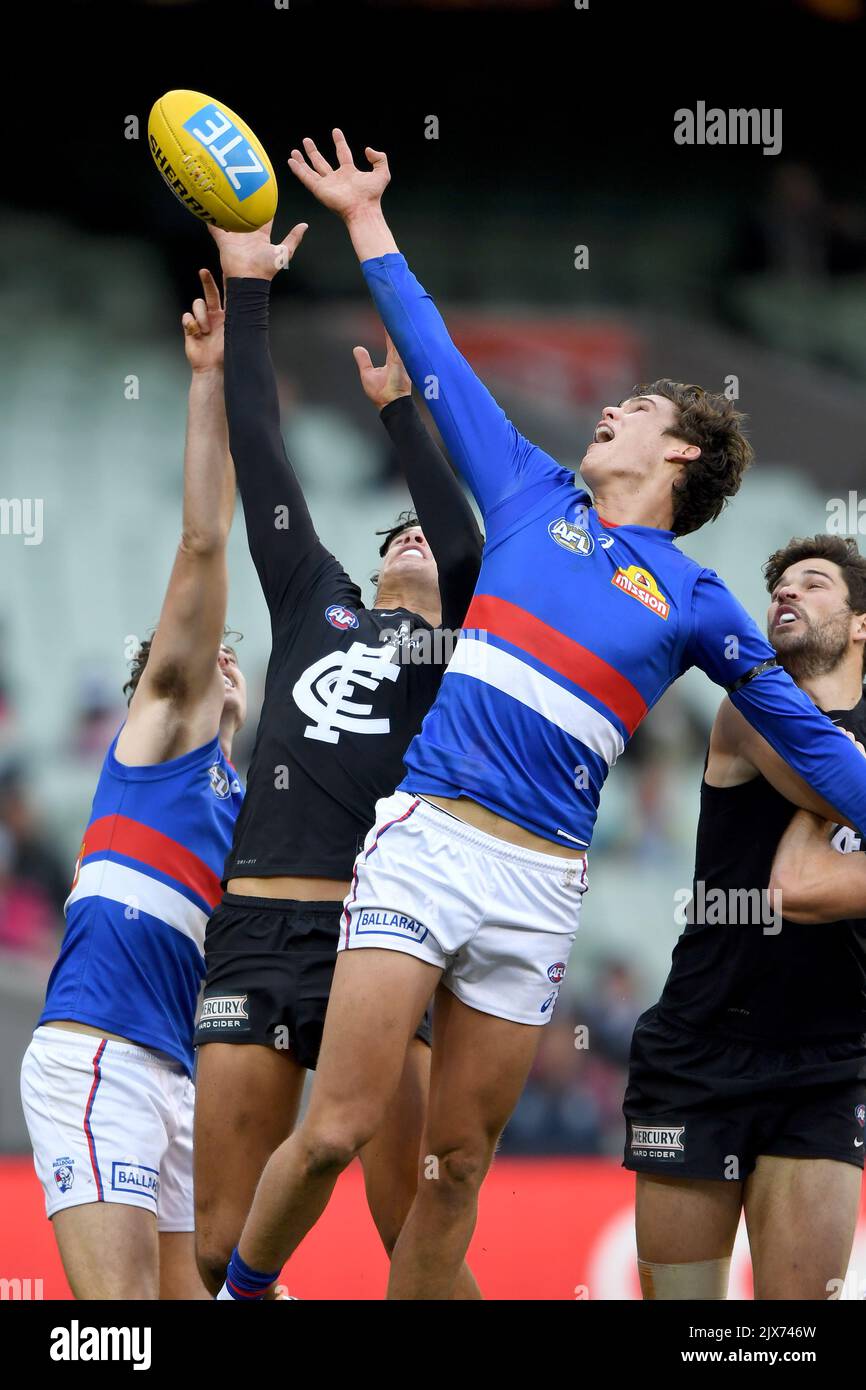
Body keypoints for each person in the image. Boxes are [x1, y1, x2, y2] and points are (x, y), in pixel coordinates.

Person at [216, 131, 866, 1303]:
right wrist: (367, 220)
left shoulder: (694, 600)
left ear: (681, 451)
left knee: (453, 1166)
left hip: (539, 886)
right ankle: (240, 1297)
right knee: (341, 1125)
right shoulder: (524, 489)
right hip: (427, 841)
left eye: (633, 407)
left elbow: (810, 741)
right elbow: (433, 352)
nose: (605, 408)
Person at [194, 220, 483, 1299]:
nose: (414, 536)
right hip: (257, 929)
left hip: (376, 937)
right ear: (368, 560)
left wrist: (401, 414)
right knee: (219, 1240)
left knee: (405, 1221)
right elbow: (259, 450)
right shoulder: (313, 601)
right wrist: (250, 286)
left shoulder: (453, 651)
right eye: (395, 530)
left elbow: (462, 550)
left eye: (423, 531)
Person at [20, 271, 246, 1299]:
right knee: (117, 1334)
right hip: (99, 1055)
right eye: (204, 656)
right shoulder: (155, 735)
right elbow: (203, 543)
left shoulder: (243, 807)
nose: (216, 658)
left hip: (177, 1080)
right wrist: (213, 382)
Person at [624, 534, 866, 1301]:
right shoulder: (746, 711)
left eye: (815, 584)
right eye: (780, 586)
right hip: (699, 1051)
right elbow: (800, 874)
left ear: (862, 624)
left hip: (829, 1064)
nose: (787, 594)